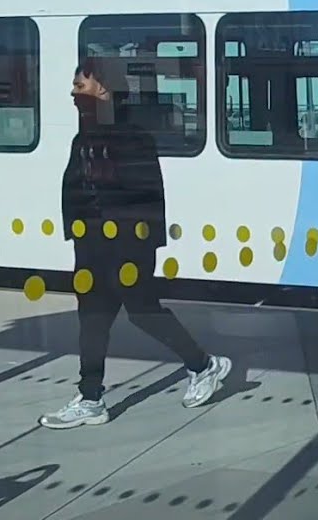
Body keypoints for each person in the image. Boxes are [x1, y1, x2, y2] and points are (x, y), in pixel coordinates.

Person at [40, 60, 230, 429]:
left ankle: (204, 366)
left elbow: (147, 196)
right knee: (92, 319)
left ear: (104, 89)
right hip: (92, 246)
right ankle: (91, 398)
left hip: (127, 247)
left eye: (81, 86)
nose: (74, 93)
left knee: (143, 311)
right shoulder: (84, 137)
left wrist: (142, 246)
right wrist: (79, 234)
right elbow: (77, 192)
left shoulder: (132, 136)